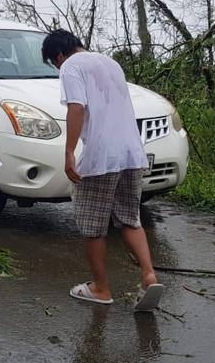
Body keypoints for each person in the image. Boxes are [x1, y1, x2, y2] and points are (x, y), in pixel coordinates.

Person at [42, 29, 165, 312]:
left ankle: (101, 288)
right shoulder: (110, 63)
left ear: (59, 55)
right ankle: (149, 276)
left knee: (92, 225)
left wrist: (69, 151)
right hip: (132, 152)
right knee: (130, 219)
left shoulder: (71, 66)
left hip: (101, 156)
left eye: (54, 62)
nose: (58, 67)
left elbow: (77, 107)